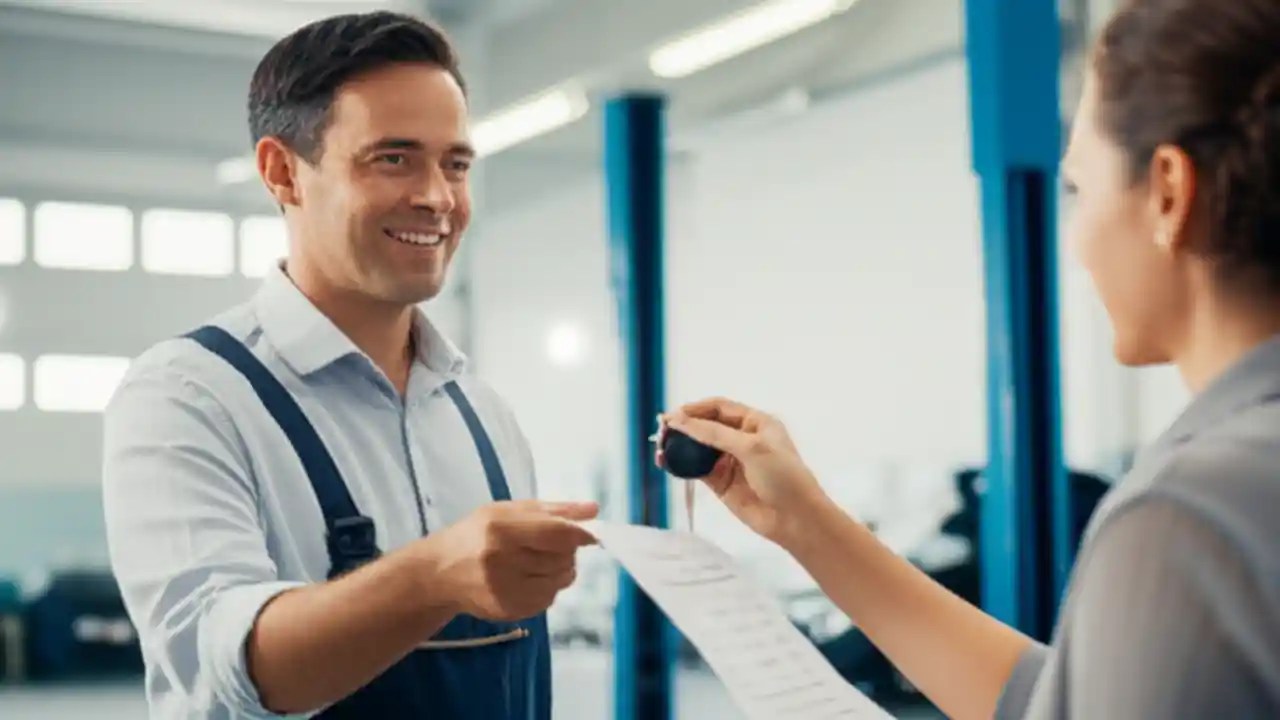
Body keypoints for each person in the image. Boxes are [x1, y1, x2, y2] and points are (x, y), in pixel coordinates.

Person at [658, 0, 1280, 718]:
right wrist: (807, 524)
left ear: (1169, 191)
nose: (1076, 239)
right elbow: (1050, 701)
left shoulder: (1189, 515)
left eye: (1078, 187)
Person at [102, 11, 597, 719]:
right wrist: (437, 575)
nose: (436, 197)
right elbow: (225, 674)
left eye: (455, 164)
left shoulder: (481, 414)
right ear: (282, 172)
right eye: (392, 158)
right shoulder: (187, 397)